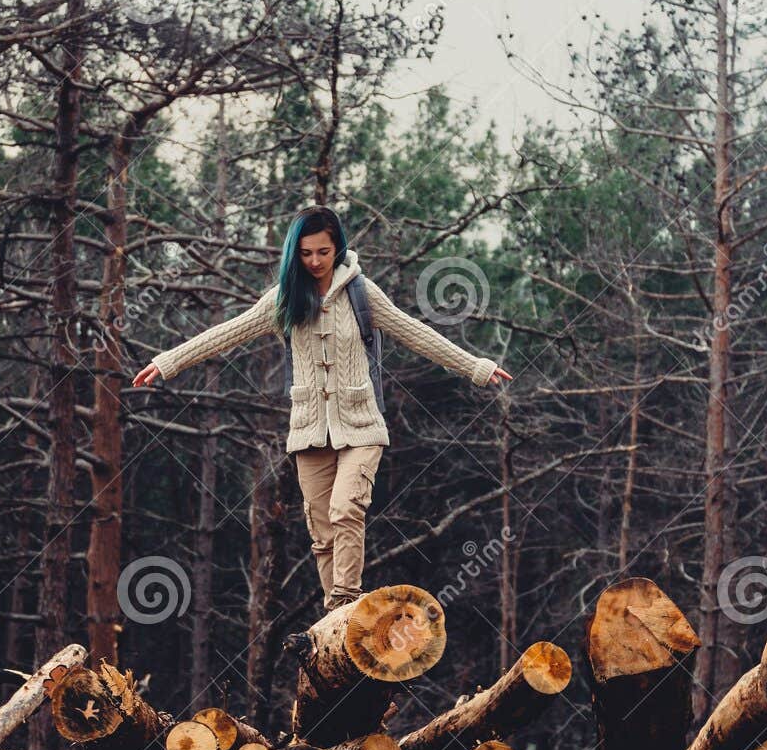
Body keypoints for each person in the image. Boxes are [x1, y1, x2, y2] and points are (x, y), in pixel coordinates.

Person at [132, 206, 511, 611]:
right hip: (310, 431)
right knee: (323, 532)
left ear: (338, 249)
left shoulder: (362, 294)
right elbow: (226, 334)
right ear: (295, 253)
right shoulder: (283, 299)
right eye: (306, 253)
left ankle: (348, 600)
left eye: (323, 252)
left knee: (346, 509)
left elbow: (414, 332)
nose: (314, 261)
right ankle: (338, 617)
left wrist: (475, 366)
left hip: (362, 426)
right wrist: (168, 361)